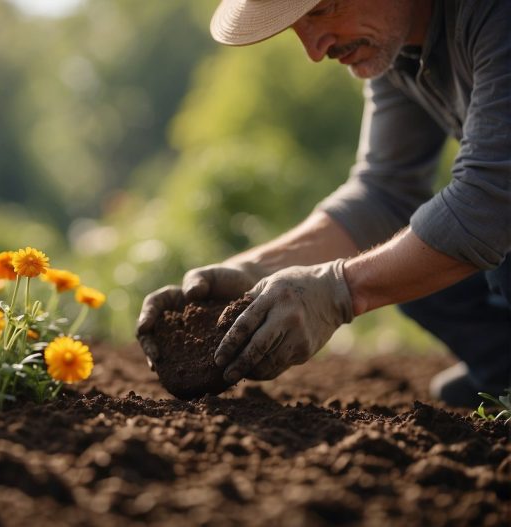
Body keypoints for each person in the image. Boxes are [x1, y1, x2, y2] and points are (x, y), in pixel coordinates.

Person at [136, 0, 511, 407]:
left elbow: (490, 200)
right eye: (296, 26)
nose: (315, 50)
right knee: (402, 256)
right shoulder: (395, 42)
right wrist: (251, 272)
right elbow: (384, 194)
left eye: (322, 10)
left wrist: (339, 291)